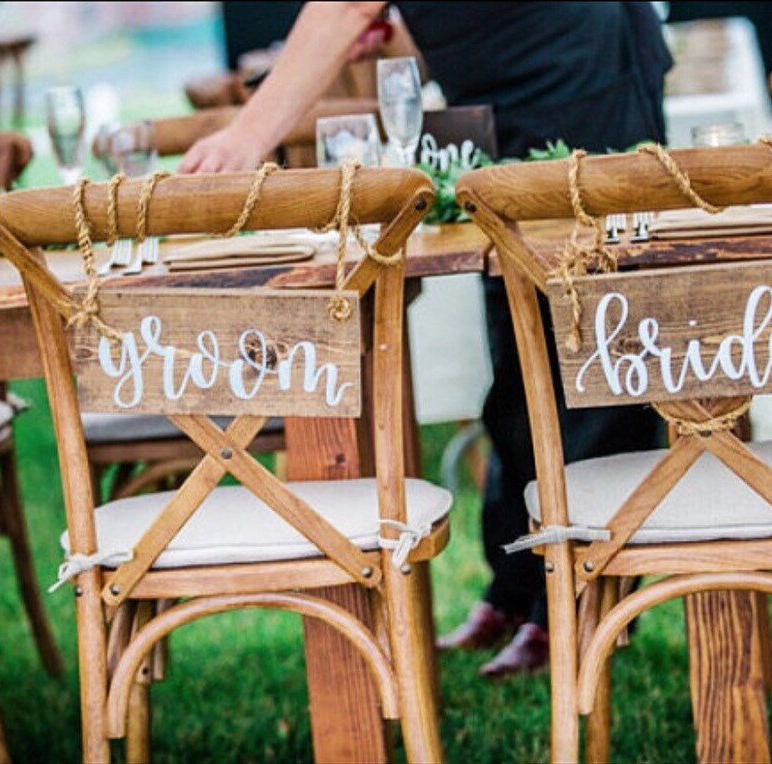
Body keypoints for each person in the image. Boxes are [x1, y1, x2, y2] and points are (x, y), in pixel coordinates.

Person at [179, 1, 673, 679]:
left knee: (586, 351)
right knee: (516, 351)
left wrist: (247, 136)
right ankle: (516, 585)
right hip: (491, 97)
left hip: (581, 80)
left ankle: (576, 604)